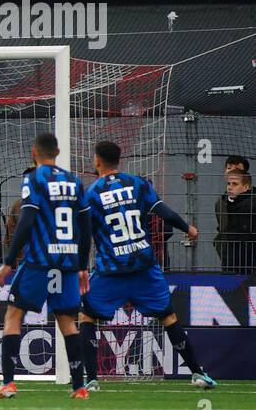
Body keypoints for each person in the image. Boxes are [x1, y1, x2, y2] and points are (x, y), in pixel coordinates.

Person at [78, 140, 216, 391]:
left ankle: (91, 380)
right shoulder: (138, 184)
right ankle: (198, 374)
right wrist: (188, 228)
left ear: (96, 160)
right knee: (168, 317)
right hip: (143, 266)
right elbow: (164, 212)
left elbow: (85, 234)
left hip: (112, 270)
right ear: (118, 160)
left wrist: (81, 267)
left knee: (86, 316)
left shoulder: (92, 193)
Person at [0, 132, 89, 399]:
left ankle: (8, 382)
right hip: (67, 262)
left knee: (13, 315)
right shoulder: (74, 181)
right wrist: (82, 265)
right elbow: (85, 226)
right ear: (57, 152)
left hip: (39, 262)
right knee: (68, 322)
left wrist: (8, 262)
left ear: (34, 152)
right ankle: (79, 387)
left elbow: (26, 219)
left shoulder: (33, 179)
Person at [216, 169, 256, 272]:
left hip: (244, 261)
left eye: (235, 184)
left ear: (246, 187)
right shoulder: (231, 202)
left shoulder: (249, 205)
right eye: (228, 183)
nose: (229, 187)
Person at [213, 155, 250, 264]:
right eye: (229, 169)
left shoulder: (252, 200)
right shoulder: (221, 202)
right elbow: (222, 227)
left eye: (237, 170)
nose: (232, 173)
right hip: (228, 255)